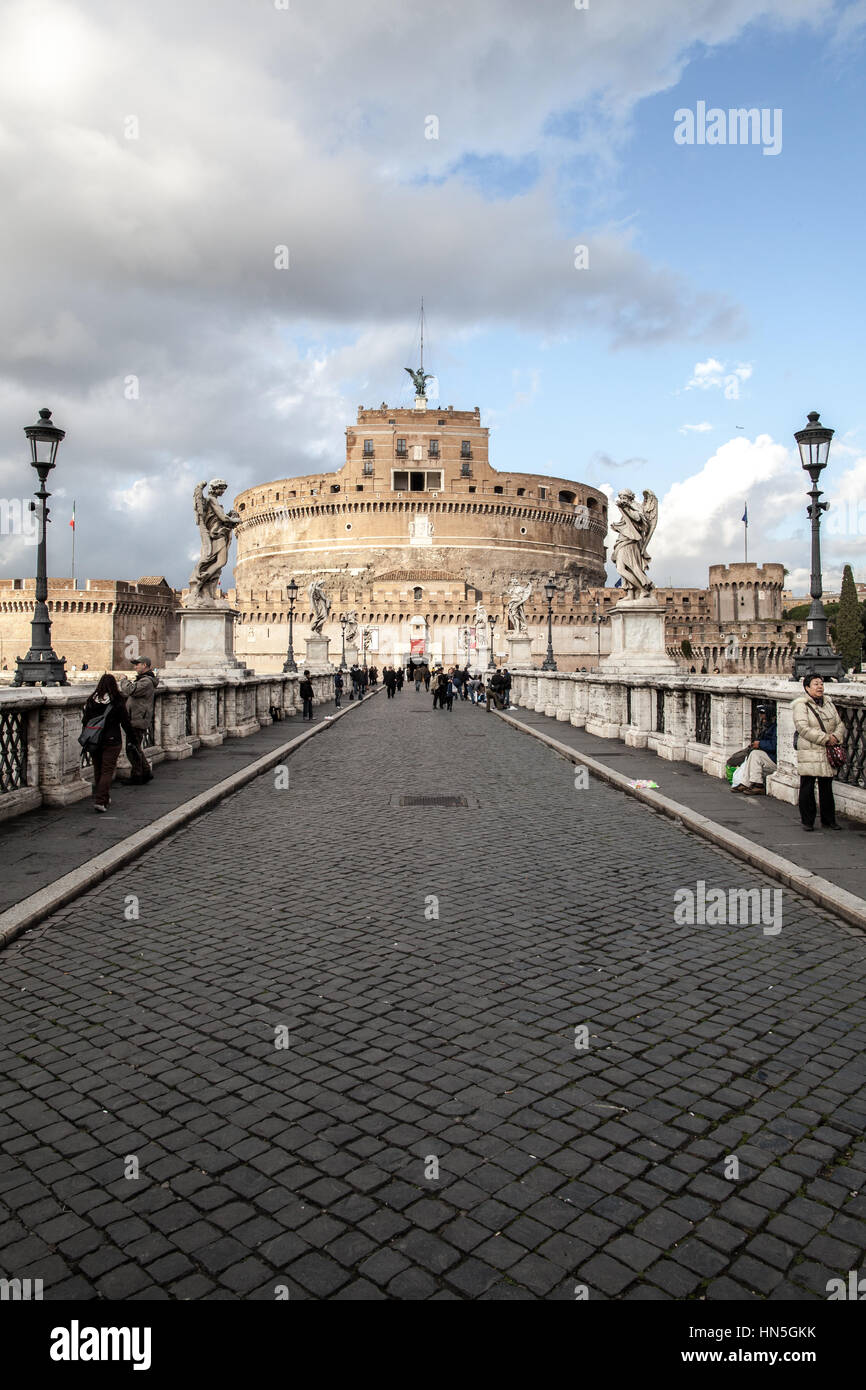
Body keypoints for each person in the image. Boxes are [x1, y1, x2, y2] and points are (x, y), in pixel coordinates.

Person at [792, 673, 844, 831]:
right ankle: (807, 821)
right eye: (815, 684)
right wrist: (825, 738)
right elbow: (803, 728)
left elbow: (839, 723)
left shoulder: (828, 703)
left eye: (821, 683)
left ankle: (829, 820)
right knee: (807, 785)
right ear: (807, 688)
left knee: (826, 786)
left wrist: (835, 736)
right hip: (810, 749)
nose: (820, 686)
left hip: (826, 749)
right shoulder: (801, 705)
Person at [80, 674, 135, 812]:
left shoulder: (91, 701)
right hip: (112, 740)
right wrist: (132, 738)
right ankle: (100, 800)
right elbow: (125, 722)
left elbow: (85, 721)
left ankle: (103, 797)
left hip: (94, 740)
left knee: (98, 769)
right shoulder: (117, 700)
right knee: (107, 771)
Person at [120, 656, 158, 783]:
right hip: (137, 717)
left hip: (138, 718)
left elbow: (131, 690)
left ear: (145, 665)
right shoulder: (145, 680)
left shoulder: (146, 681)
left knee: (132, 748)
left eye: (137, 665)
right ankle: (145, 772)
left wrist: (123, 681)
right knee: (135, 747)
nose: (135, 667)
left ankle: (138, 775)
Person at [732, 703, 777, 795]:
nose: (761, 716)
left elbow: (774, 746)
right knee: (752, 753)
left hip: (775, 758)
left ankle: (758, 785)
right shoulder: (768, 726)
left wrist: (760, 744)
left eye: (762, 713)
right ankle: (745, 783)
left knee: (756, 755)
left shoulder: (776, 728)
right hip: (769, 756)